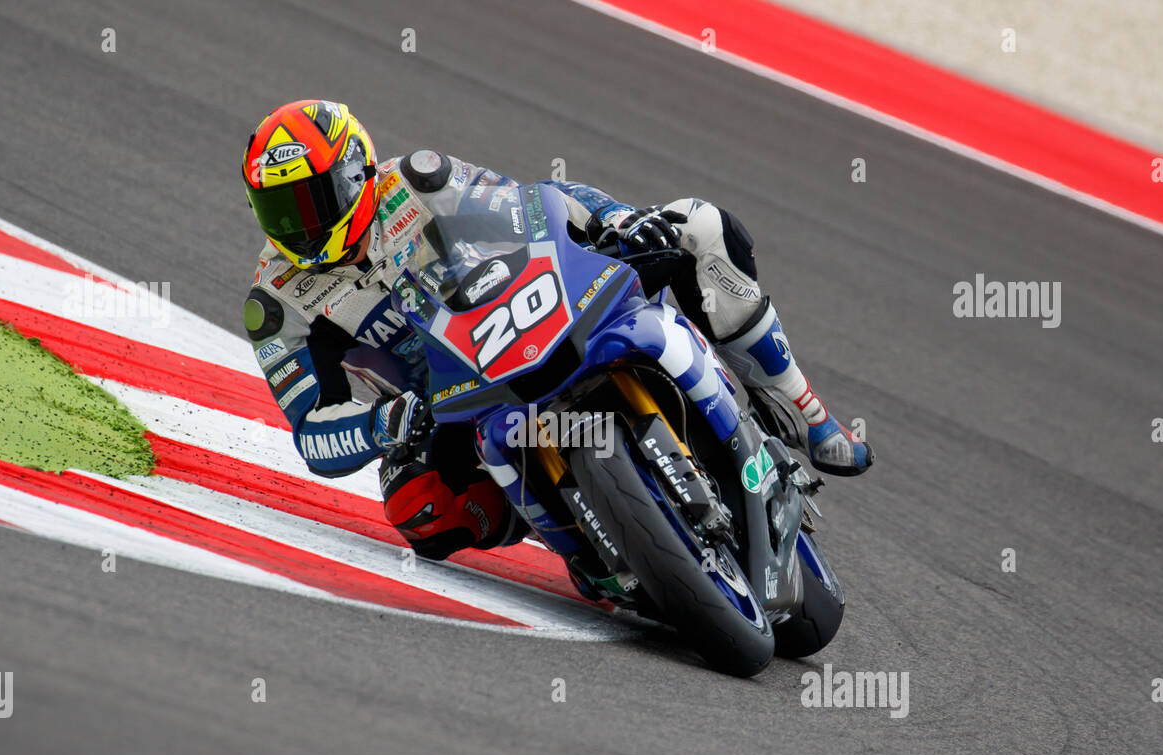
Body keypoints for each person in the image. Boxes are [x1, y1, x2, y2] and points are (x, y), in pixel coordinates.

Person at [241, 100, 873, 560]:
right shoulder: (276, 303)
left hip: (530, 312)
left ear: (353, 173)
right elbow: (312, 436)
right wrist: (385, 424)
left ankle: (806, 411)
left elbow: (533, 204)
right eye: (278, 209)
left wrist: (621, 222)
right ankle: (586, 525)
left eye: (310, 200)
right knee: (419, 512)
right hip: (442, 404)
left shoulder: (416, 178)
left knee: (700, 227)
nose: (296, 225)